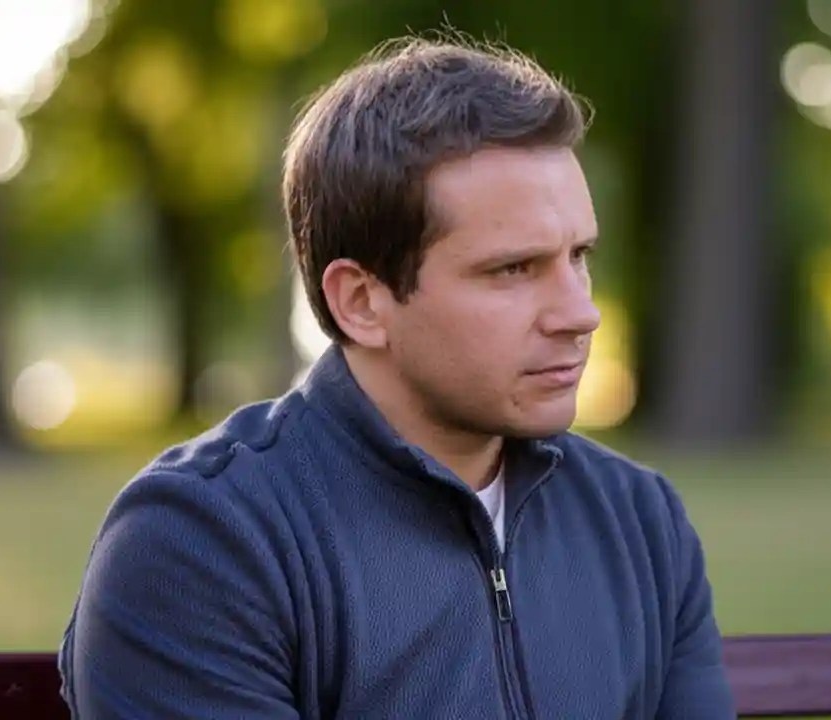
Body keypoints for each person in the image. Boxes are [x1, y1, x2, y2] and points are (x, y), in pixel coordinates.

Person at [58, 35, 735, 719]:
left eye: (578, 256)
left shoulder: (638, 523)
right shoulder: (203, 545)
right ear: (362, 301)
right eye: (513, 270)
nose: (580, 313)